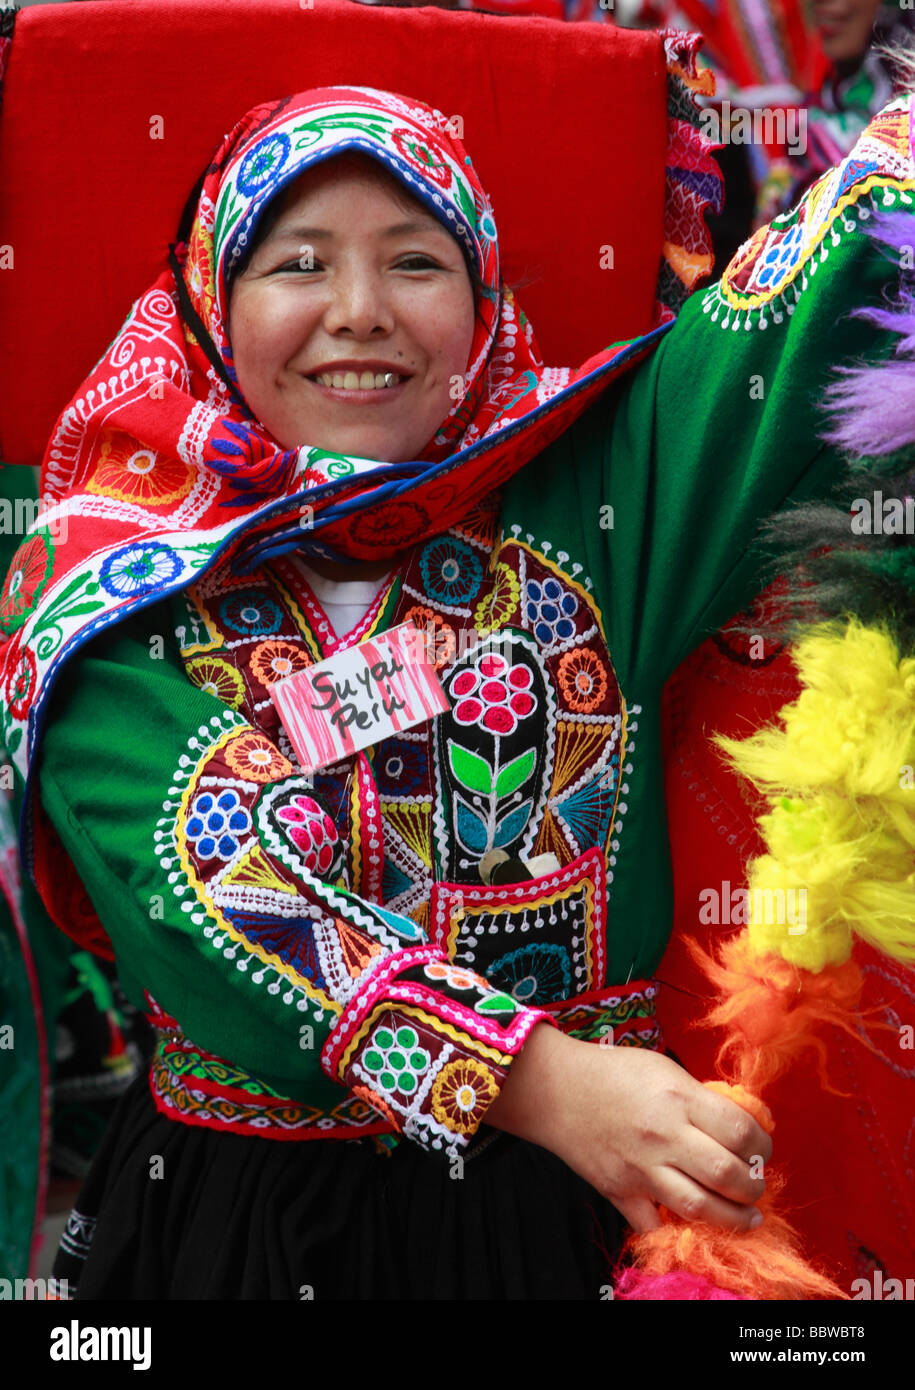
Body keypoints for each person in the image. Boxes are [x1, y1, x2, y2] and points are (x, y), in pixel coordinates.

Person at [2, 76, 913, 1300]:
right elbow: (218, 878)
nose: (361, 312)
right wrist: (543, 1084)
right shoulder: (109, 572)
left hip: (576, 1229)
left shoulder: (593, 497)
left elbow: (810, 305)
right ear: (214, 303)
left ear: (484, 296)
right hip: (248, 1231)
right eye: (299, 264)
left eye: (416, 262)